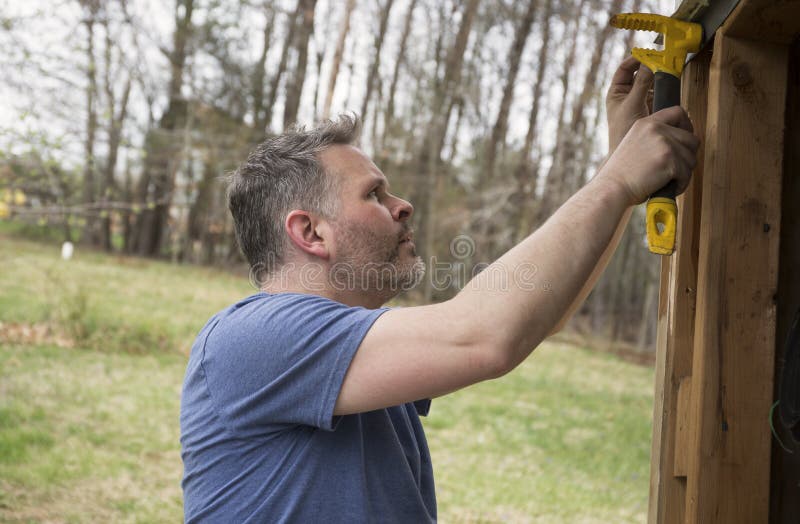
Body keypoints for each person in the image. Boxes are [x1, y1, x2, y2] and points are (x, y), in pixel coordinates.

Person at [180, 56, 699, 523]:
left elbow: (536, 315)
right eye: (374, 193)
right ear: (309, 232)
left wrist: (618, 176)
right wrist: (614, 183)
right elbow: (486, 336)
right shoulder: (253, 337)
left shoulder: (342, 345)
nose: (402, 205)